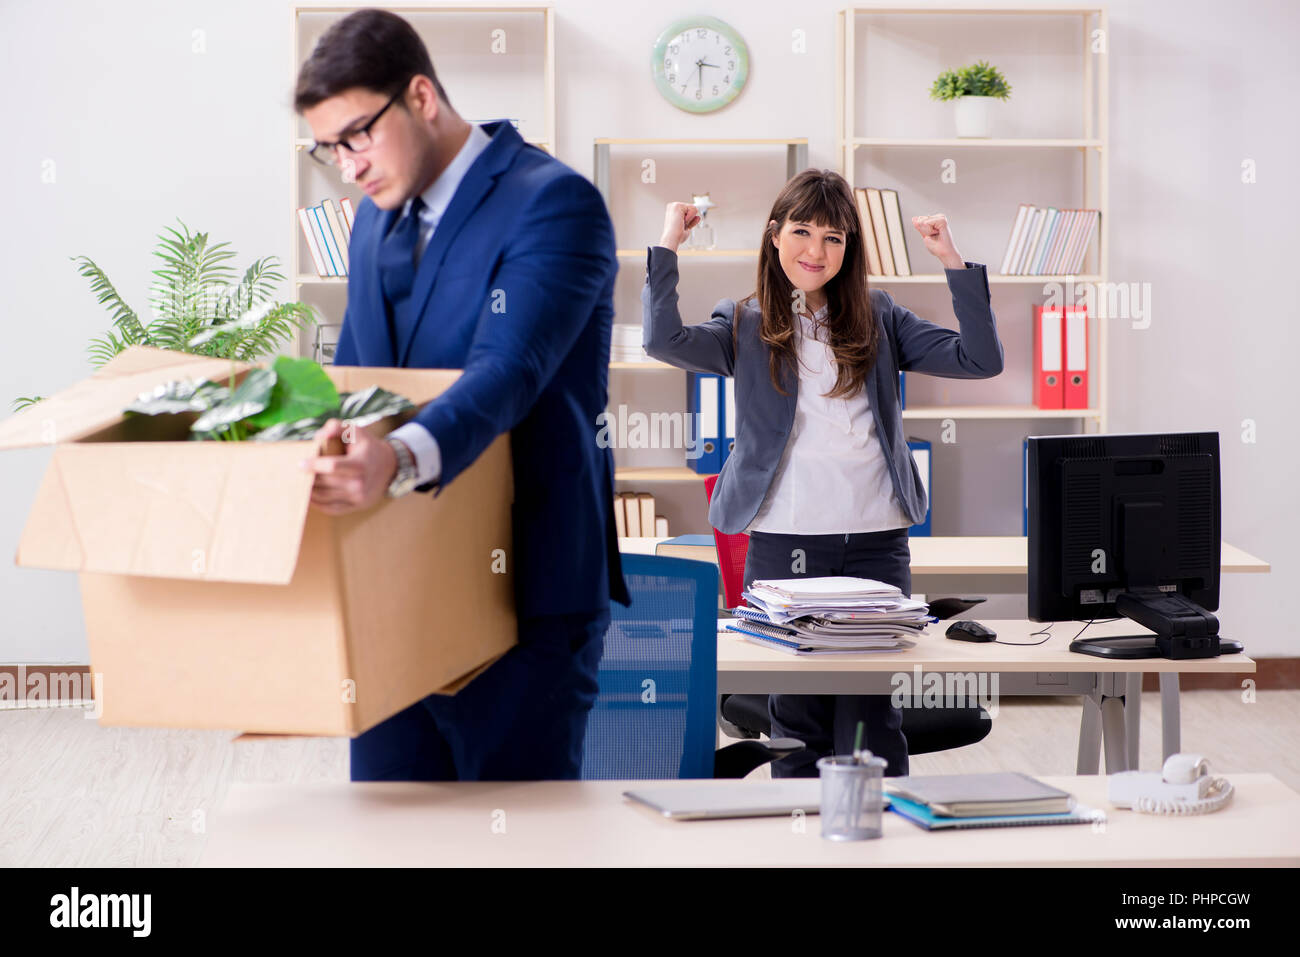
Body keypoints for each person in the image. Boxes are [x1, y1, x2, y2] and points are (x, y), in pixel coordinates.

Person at [294, 8, 629, 781]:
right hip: (396, 582)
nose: (347, 165)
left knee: (513, 844)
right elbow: (358, 376)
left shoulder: (555, 202)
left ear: (420, 97)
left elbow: (505, 371)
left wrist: (399, 457)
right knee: (388, 831)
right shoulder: (375, 222)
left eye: (357, 136)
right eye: (328, 148)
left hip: (524, 595)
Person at [642, 168, 1003, 777]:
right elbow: (664, 340)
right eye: (803, 231)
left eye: (833, 238)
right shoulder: (745, 321)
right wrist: (668, 244)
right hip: (786, 537)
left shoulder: (880, 314)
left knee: (871, 715)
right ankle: (798, 844)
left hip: (876, 539)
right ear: (774, 235)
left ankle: (880, 844)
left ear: (849, 249)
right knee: (799, 715)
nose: (816, 251)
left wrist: (951, 260)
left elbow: (979, 359)